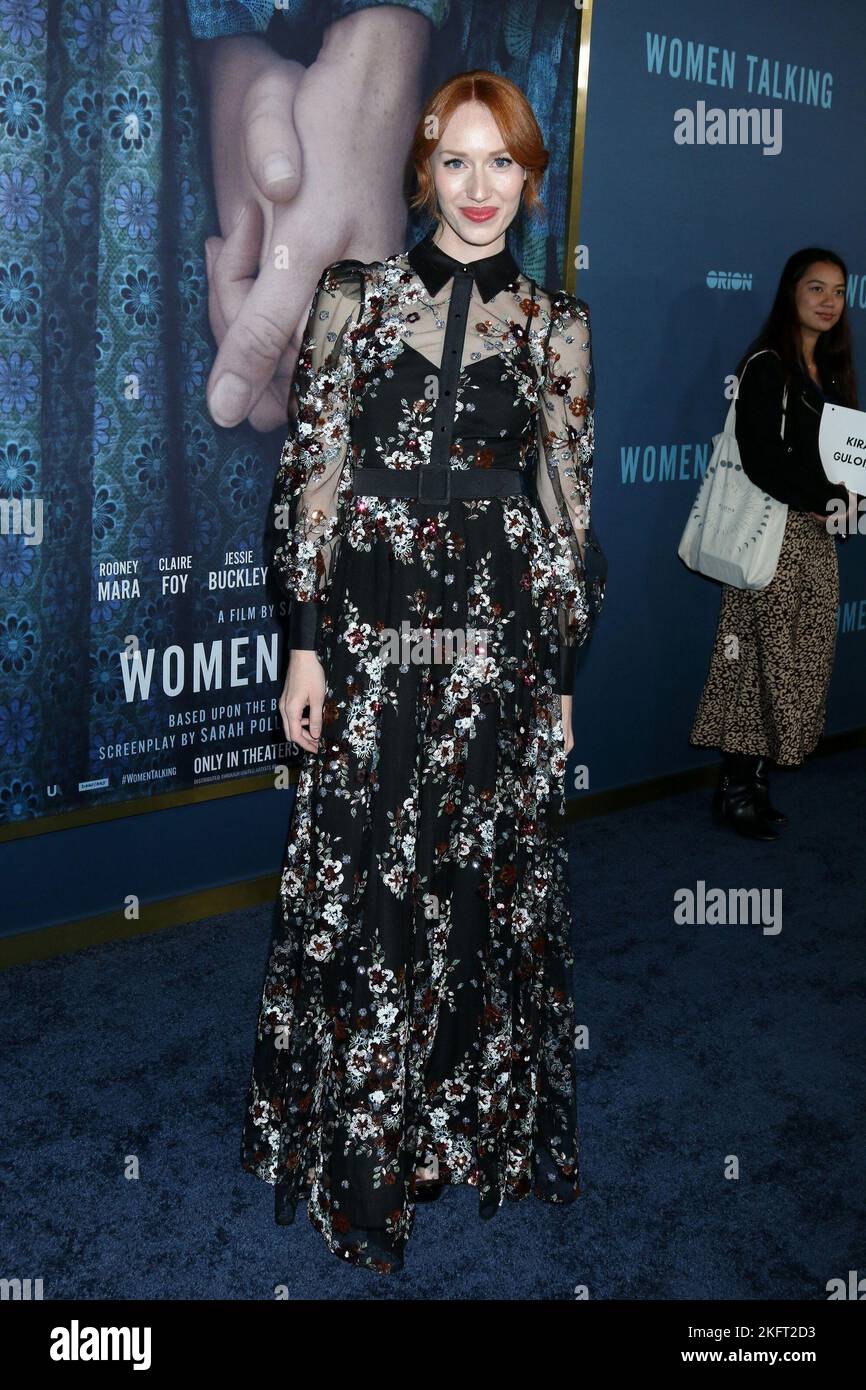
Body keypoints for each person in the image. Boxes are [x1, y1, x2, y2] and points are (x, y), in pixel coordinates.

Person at [240, 69, 605, 1273]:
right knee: (365, 870)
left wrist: (559, 672)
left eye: (502, 162)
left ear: (530, 179)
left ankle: (451, 1125)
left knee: (472, 873)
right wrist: (303, 638)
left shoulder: (554, 324)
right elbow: (312, 474)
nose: (477, 186)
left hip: (495, 641)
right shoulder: (353, 296)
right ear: (422, 171)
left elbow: (565, 508)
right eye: (455, 160)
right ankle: (357, 1138)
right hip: (369, 627)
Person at [690, 248, 859, 840]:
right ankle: (738, 789)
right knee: (759, 664)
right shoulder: (767, 366)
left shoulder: (832, 371)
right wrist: (820, 496)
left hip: (817, 537)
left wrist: (849, 499)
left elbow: (843, 458)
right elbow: (762, 459)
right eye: (816, 288)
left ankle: (753, 784)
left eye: (838, 291)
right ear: (792, 293)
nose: (828, 302)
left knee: (800, 662)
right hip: (770, 537)